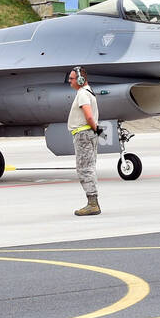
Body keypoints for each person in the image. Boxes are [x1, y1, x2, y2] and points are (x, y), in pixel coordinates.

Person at [67, 66, 103, 215]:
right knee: (89, 167)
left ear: (81, 79)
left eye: (72, 78)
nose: (69, 81)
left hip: (83, 135)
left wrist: (94, 128)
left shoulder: (82, 93)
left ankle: (92, 204)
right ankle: (93, 202)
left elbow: (88, 116)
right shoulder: (88, 92)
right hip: (87, 134)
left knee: (84, 169)